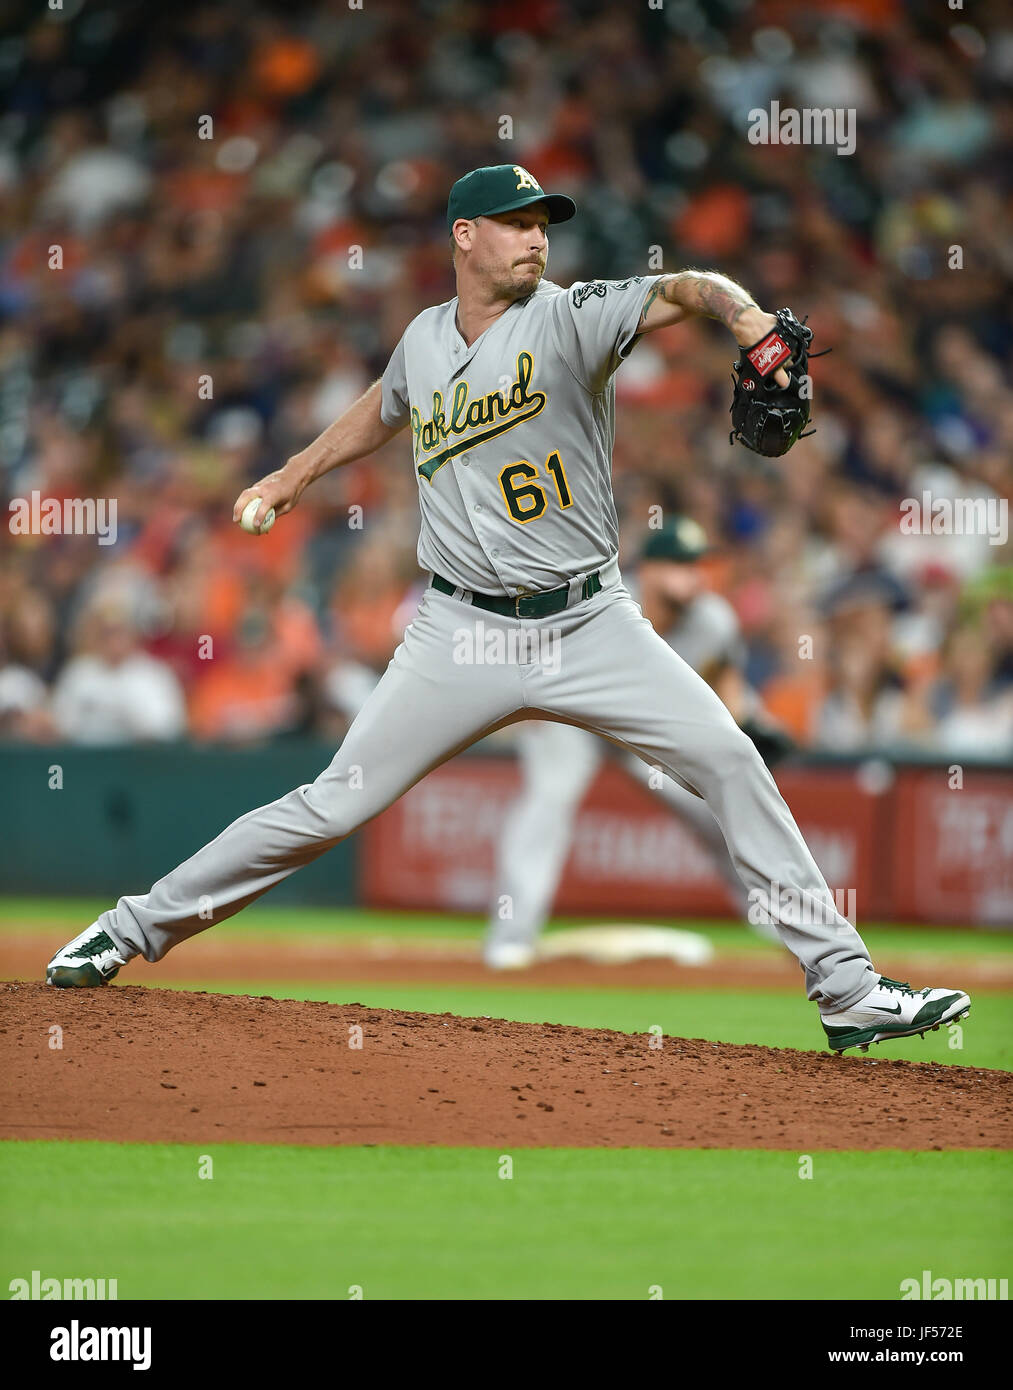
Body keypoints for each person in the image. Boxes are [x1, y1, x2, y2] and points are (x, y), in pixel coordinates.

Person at [47, 164, 969, 1054]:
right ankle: (126, 931)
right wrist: (291, 475)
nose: (536, 238)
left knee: (729, 759)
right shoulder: (421, 339)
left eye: (543, 224)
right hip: (460, 630)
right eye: (518, 223)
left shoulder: (569, 319)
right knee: (331, 804)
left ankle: (847, 991)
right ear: (464, 235)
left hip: (590, 620)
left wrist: (749, 318)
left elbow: (687, 286)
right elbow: (384, 405)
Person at [483, 516, 788, 968]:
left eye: (697, 564)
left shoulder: (713, 620)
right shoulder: (604, 601)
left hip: (642, 728)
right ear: (647, 570)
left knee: (713, 811)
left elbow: (724, 681)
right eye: (679, 564)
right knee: (548, 799)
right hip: (574, 720)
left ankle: (784, 926)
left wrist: (748, 722)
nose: (693, 574)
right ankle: (511, 937)